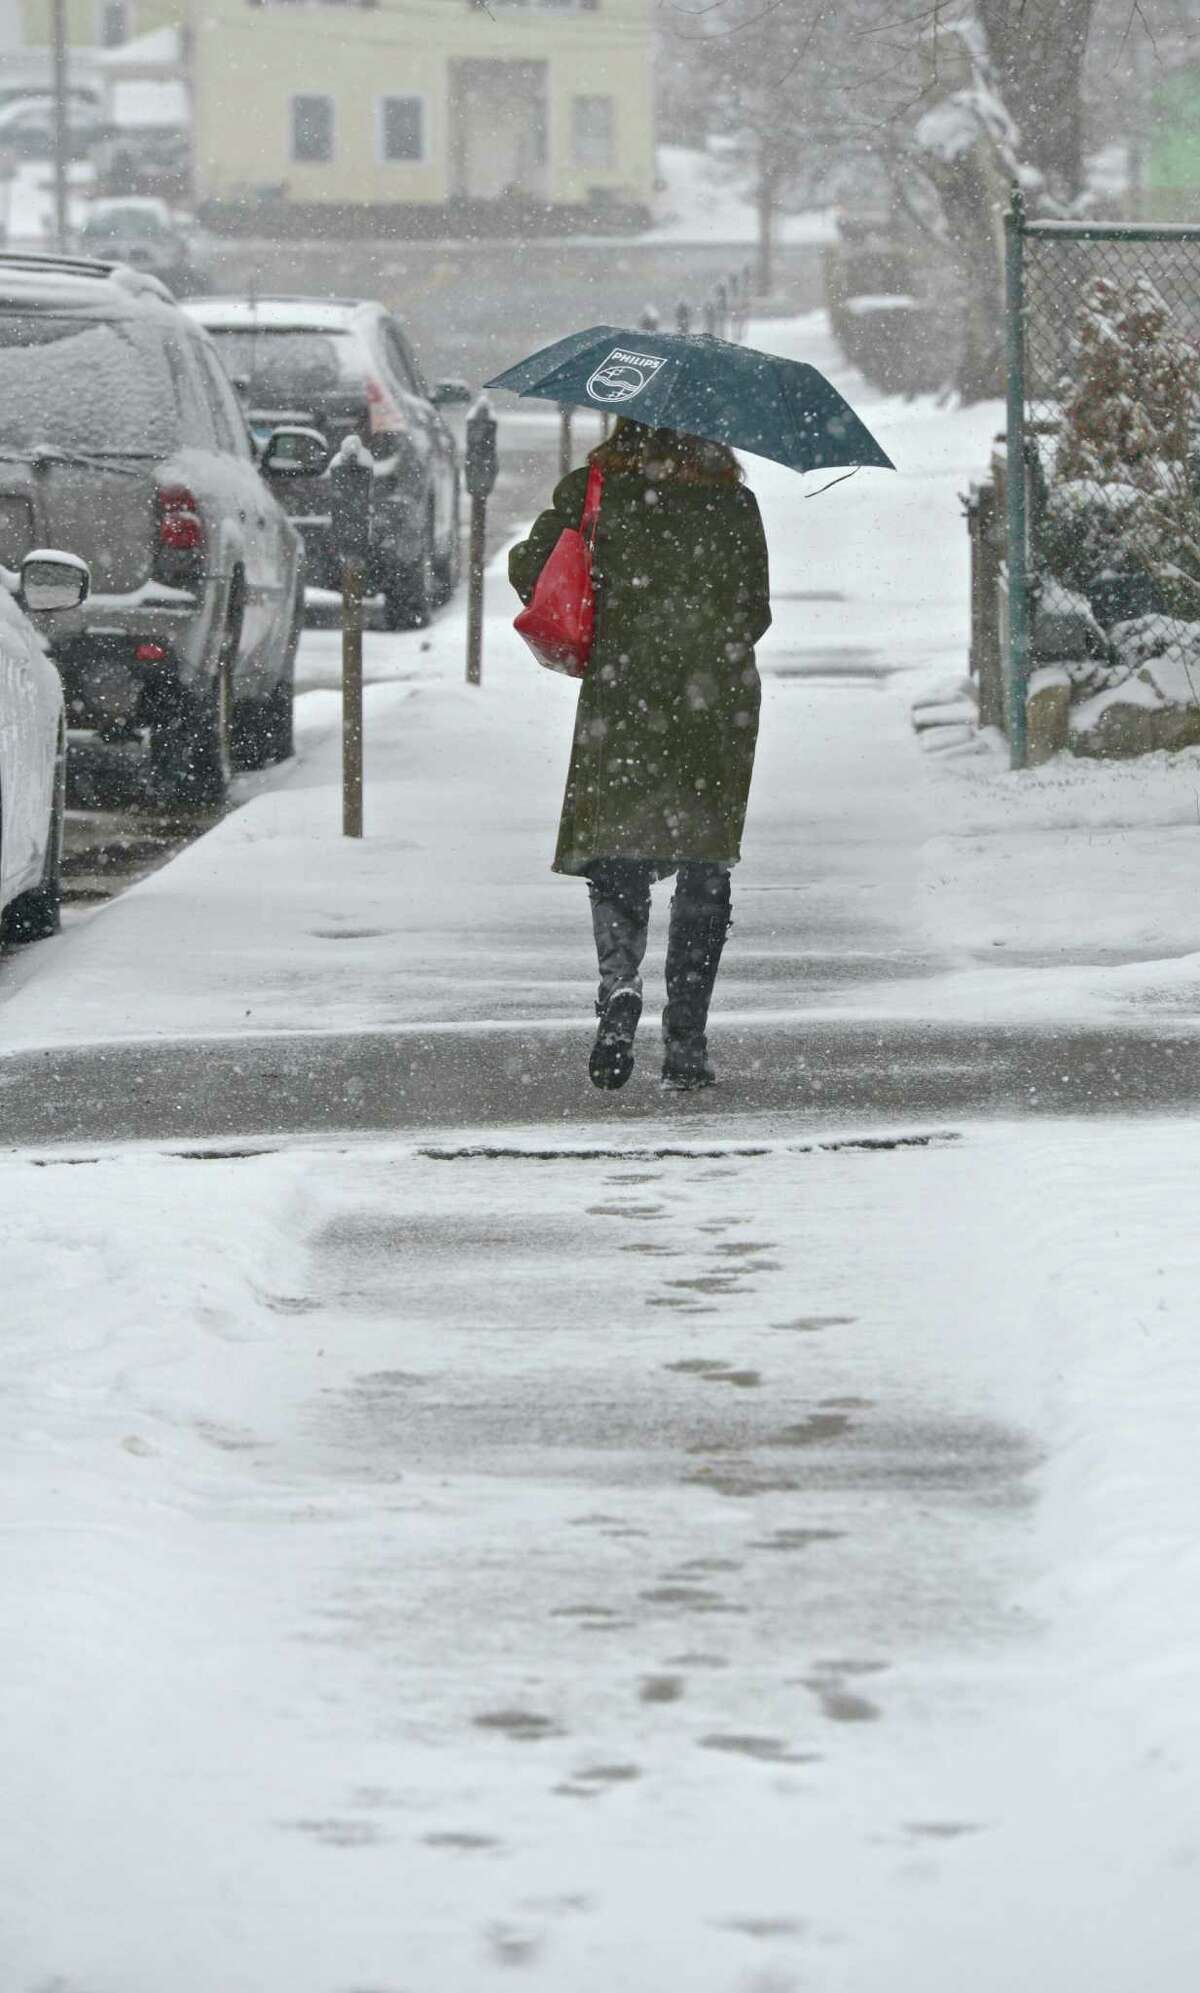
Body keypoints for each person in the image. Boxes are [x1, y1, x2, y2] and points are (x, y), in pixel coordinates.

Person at [509, 417, 772, 1092]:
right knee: (703, 864)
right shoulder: (732, 501)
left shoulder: (598, 489)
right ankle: (686, 1040)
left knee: (619, 848)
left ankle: (620, 987)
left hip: (625, 692)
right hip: (715, 699)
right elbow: (755, 610)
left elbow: (529, 569)